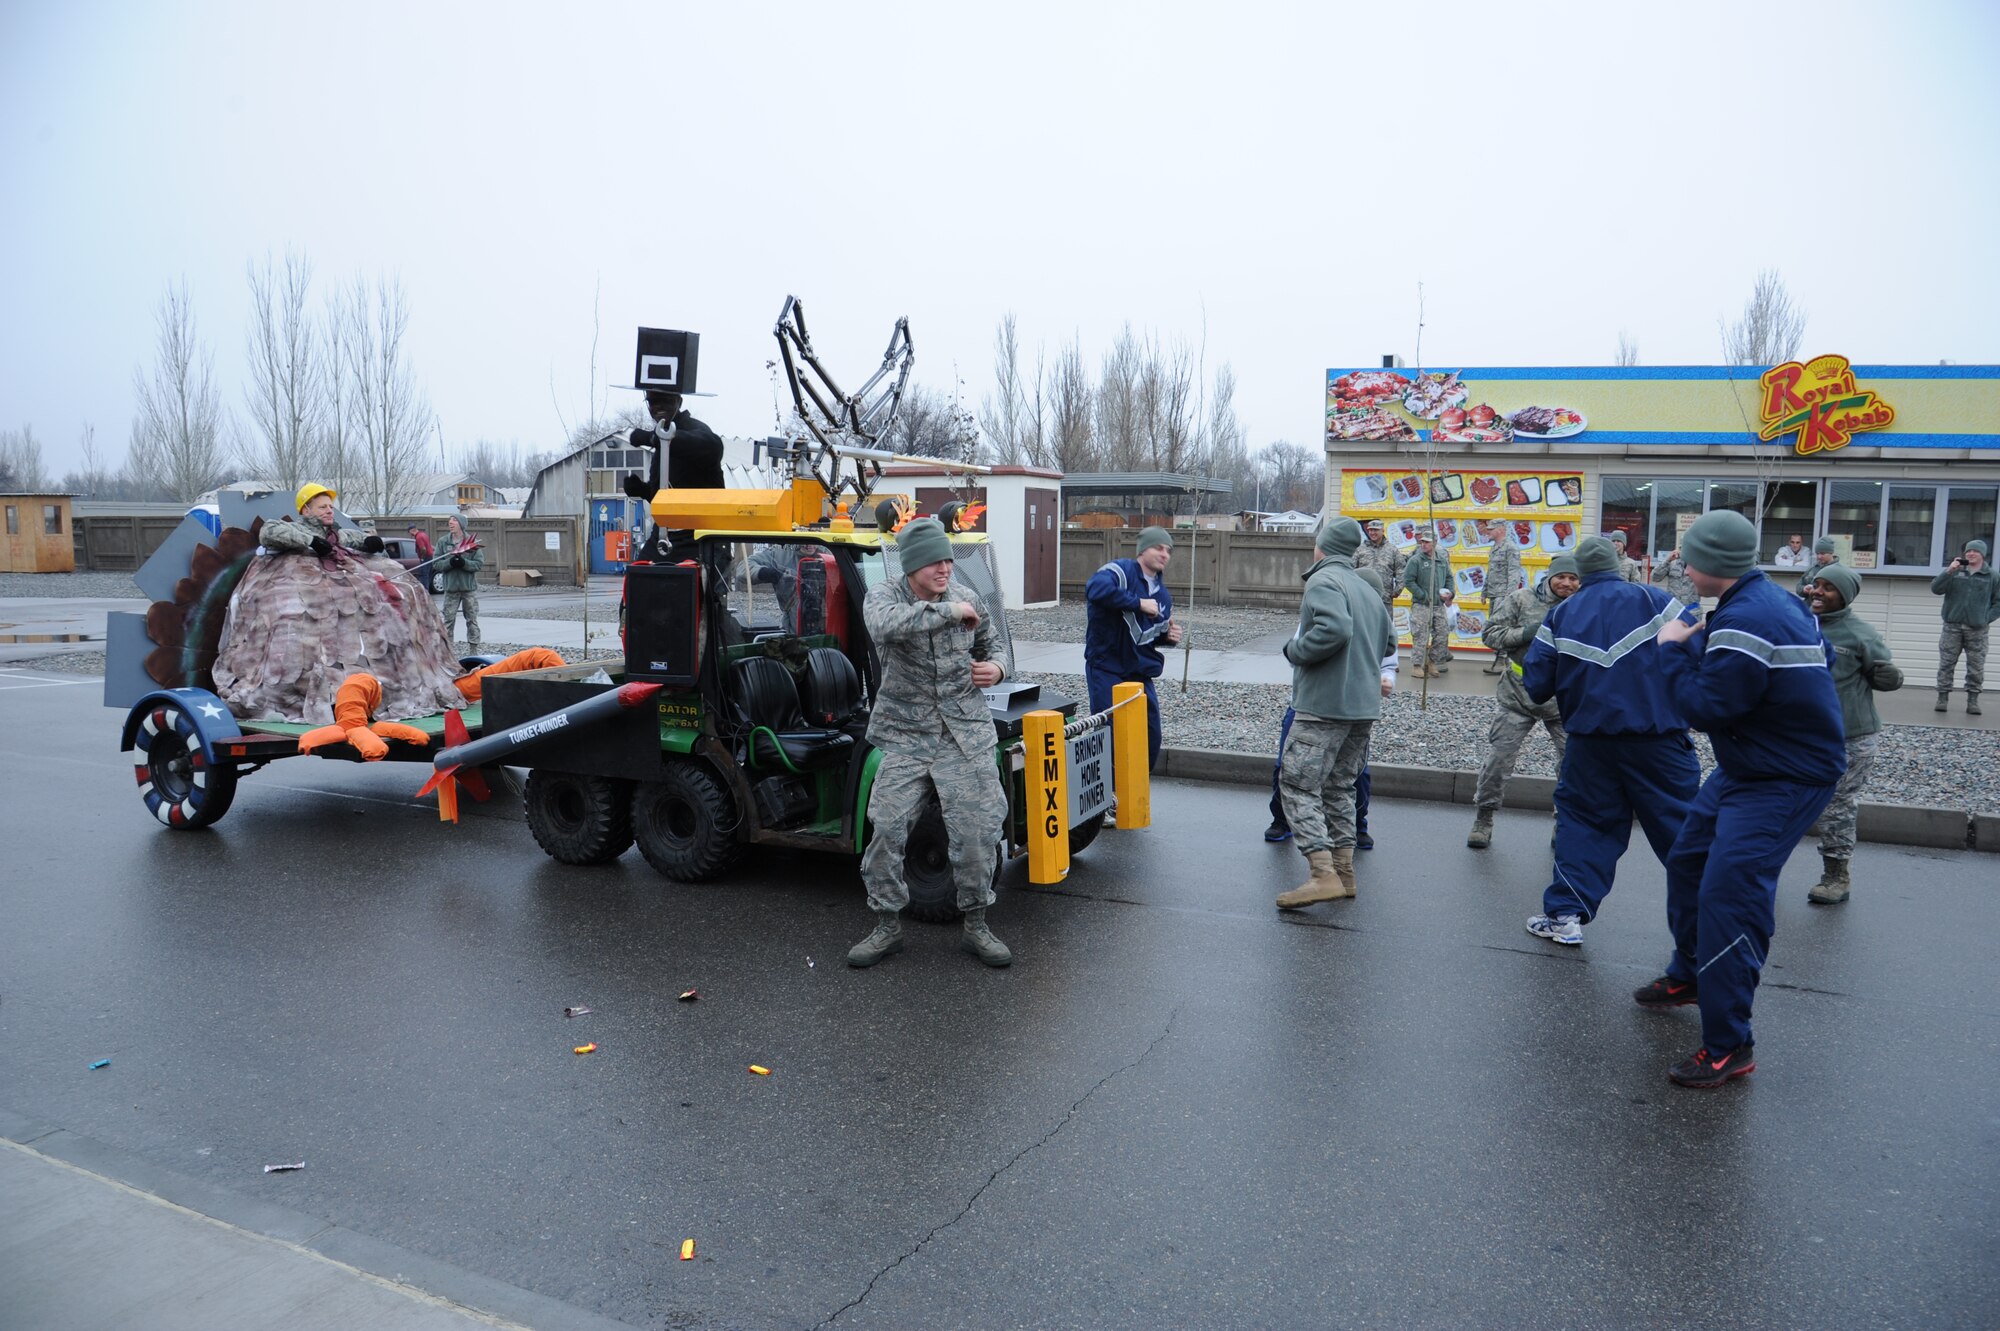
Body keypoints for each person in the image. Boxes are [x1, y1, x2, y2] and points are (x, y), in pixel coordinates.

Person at [1646, 510, 1845, 1089]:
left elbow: (1706, 709)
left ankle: (1730, 1044)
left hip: (1783, 779)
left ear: (1708, 565)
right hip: (1750, 767)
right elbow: (1818, 660)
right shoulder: (1765, 602)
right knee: (1688, 862)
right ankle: (1691, 975)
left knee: (1729, 896)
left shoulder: (1747, 617)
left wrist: (1671, 650)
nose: (1682, 565)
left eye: (1687, 557)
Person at [1518, 536, 1700, 946]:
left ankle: (1565, 915)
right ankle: (1719, 917)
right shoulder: (1659, 602)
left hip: (1590, 743)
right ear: (1619, 565)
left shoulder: (1561, 614)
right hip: (1661, 740)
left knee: (1584, 824)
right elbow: (1700, 654)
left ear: (1580, 573)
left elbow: (1536, 685)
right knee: (1684, 828)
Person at [848, 518, 1013, 969]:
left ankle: (976, 924)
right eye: (936, 561)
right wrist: (949, 613)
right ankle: (886, 926)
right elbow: (884, 626)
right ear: (913, 565)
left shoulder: (967, 596)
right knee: (885, 828)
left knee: (978, 833)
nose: (945, 568)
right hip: (906, 735)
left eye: (948, 559)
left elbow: (994, 645)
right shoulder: (885, 596)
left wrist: (995, 669)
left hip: (964, 735)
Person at [212, 483, 466, 724]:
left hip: (338, 582)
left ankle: (390, 677)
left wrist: (369, 542)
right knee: (301, 606)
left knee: (397, 592)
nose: (328, 510)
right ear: (306, 510)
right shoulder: (292, 530)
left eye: (330, 507)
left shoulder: (337, 535)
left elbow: (355, 538)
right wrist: (311, 542)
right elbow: (270, 532)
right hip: (297, 584)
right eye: (322, 506)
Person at [1273, 518, 1395, 909]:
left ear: (1322, 546)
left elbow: (1335, 629)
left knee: (1296, 785)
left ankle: (1322, 875)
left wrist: (1295, 652)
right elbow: (1389, 640)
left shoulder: (1324, 581)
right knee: (1340, 788)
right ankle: (1345, 874)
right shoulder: (1366, 586)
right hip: (1362, 708)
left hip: (1323, 706)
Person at [1266, 566, 1394, 849]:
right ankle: (1282, 821)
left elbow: (1389, 658)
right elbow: (1298, 651)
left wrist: (1385, 680)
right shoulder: (1327, 608)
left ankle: (1350, 839)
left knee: (1348, 778)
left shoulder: (1375, 616)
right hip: (1311, 704)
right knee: (1289, 769)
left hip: (1354, 709)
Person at [1804, 564, 1903, 904]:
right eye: (1816, 584)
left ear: (1844, 596)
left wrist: (1890, 676)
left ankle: (1836, 877)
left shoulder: (1861, 633)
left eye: (1828, 587)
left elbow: (1885, 676)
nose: (1818, 591)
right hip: (1801, 735)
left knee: (1837, 806)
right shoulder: (1798, 623)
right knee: (1781, 801)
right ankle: (1761, 869)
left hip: (1850, 737)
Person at [1468, 553, 1576, 849]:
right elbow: (1490, 635)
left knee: (1573, 764)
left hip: (1564, 698)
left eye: (1573, 578)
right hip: (1519, 693)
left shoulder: (1585, 604)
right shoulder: (1521, 599)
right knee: (1499, 759)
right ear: (1550, 576)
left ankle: (1564, 822)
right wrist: (1526, 633)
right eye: (1561, 577)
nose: (1566, 583)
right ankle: (1484, 818)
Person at [1083, 527, 1185, 772]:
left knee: (1151, 736)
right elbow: (1094, 589)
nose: (1164, 554)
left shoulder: (1163, 596)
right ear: (1142, 550)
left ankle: (1136, 793)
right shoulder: (1119, 571)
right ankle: (1108, 799)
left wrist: (1167, 638)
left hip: (1139, 673)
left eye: (1168, 550)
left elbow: (1146, 637)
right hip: (1106, 667)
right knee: (1109, 733)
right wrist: (1138, 603)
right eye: (1158, 548)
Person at [624, 389, 726, 560]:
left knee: (692, 581)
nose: (658, 406)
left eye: (665, 400)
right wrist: (643, 490)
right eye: (652, 402)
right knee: (639, 576)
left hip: (699, 536)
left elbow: (712, 447)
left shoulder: (695, 429)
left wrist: (654, 438)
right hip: (664, 535)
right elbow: (667, 497)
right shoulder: (661, 438)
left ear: (679, 401)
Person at [1930, 538, 2000, 715]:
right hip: (1952, 627)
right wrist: (1949, 571)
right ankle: (1942, 698)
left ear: (1982, 554)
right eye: (1968, 551)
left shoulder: (1992, 576)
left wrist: (1985, 618)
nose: (1971, 554)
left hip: (1977, 630)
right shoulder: (1955, 572)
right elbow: (1936, 589)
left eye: (1975, 551)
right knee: (1946, 664)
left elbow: (1998, 602)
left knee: (1976, 667)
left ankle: (1973, 701)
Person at [1398, 527, 1454, 678]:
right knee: (1420, 635)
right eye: (1422, 542)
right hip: (1421, 605)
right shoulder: (1415, 560)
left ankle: (1432, 662)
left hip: (1438, 605)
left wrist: (1450, 593)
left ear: (1435, 543)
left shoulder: (1441, 560)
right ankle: (1417, 665)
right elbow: (1408, 581)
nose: (1423, 545)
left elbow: (1449, 578)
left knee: (1442, 633)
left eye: (1427, 542)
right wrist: (1422, 595)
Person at [437, 513, 483, 652]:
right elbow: (436, 564)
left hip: (468, 589)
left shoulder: (472, 543)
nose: (450, 522)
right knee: (448, 621)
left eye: (454, 520)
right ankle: (448, 652)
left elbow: (478, 564)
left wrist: (464, 563)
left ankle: (473, 650)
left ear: (461, 524)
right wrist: (449, 563)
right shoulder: (443, 542)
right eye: (449, 520)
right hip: (451, 589)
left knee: (472, 619)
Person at [1482, 522, 1524, 673]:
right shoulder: (1494, 548)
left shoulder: (1510, 547)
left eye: (1491, 529)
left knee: (1502, 627)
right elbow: (1490, 572)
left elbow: (1514, 573)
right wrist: (1484, 591)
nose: (1488, 532)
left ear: (1500, 530)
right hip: (1494, 593)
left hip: (1503, 595)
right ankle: (1500, 661)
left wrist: (1509, 596)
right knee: (1494, 627)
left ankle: (1502, 661)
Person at [1354, 519, 1406, 614]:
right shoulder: (1360, 550)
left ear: (1382, 531)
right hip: (1363, 598)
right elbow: (1351, 570)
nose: (1372, 533)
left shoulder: (1392, 550)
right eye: (1370, 530)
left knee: (1384, 627)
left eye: (1375, 530)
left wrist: (1398, 590)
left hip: (1384, 599)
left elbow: (1401, 570)